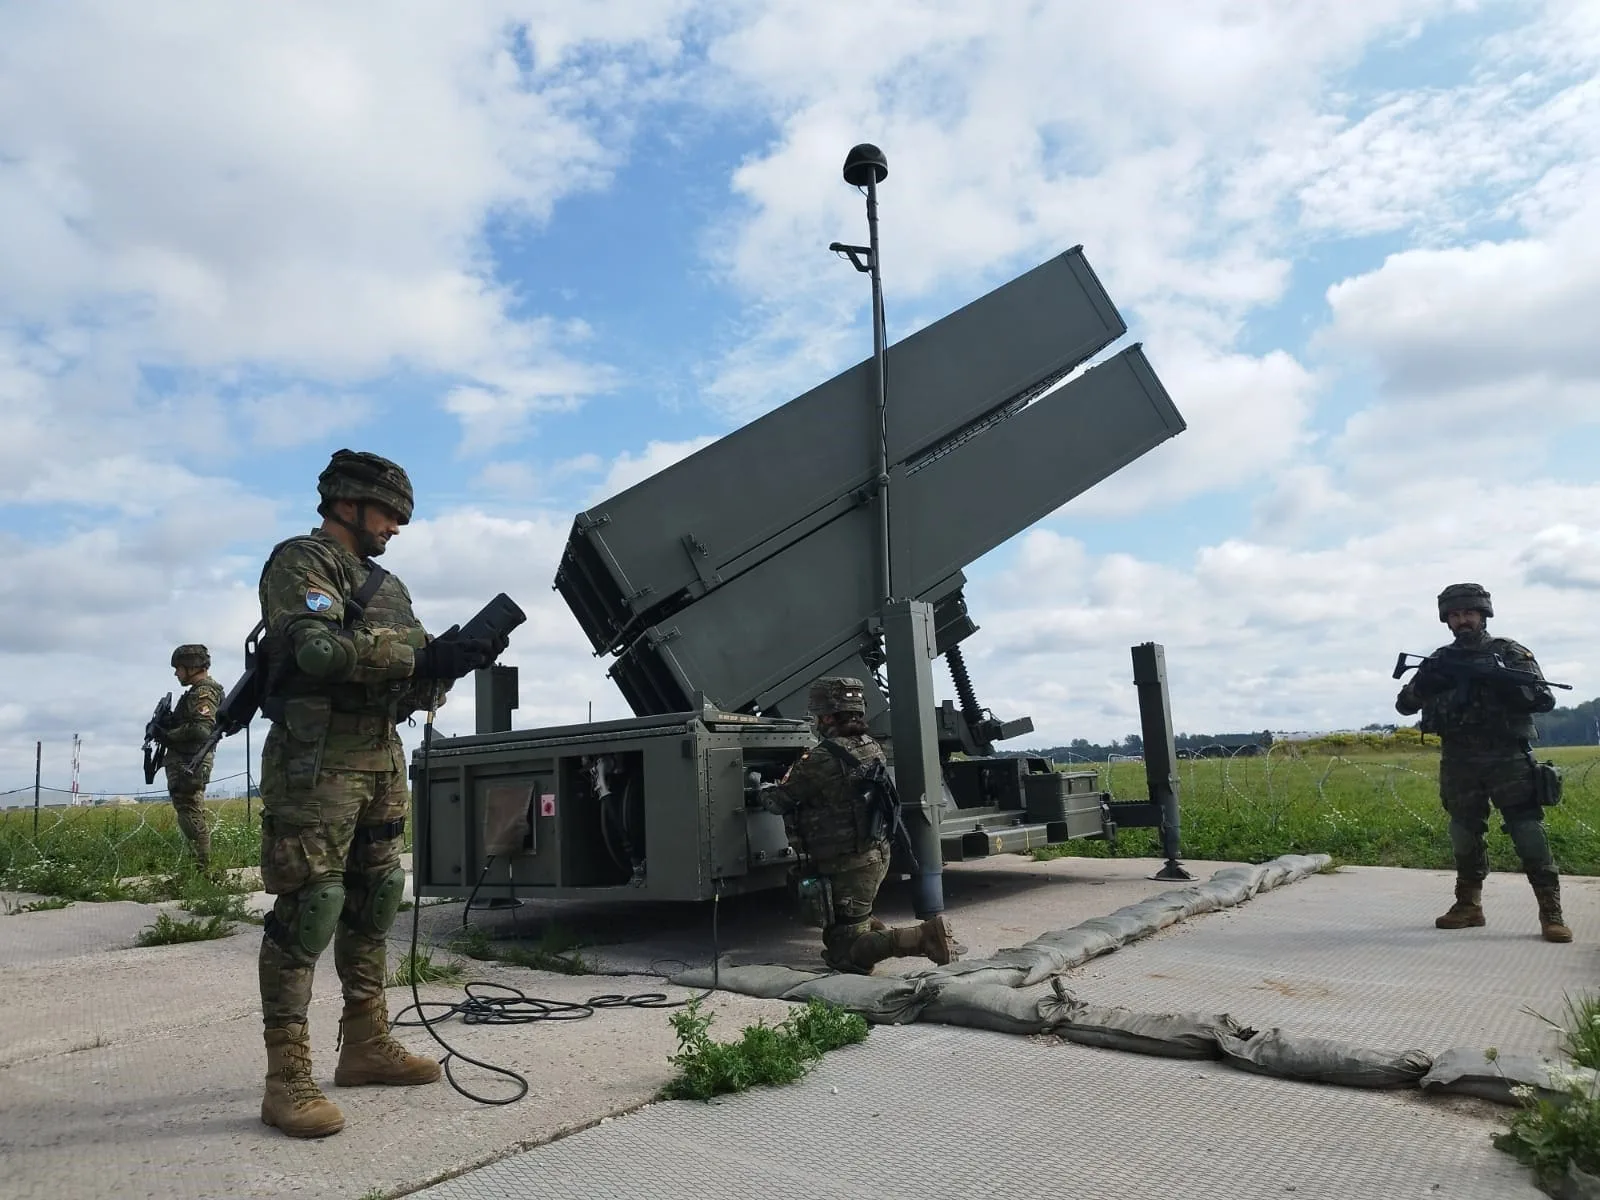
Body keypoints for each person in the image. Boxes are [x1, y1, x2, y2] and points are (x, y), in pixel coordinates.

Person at [254, 449, 502, 1138]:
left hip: (380, 760)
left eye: (400, 516)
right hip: (316, 764)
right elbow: (316, 651)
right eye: (387, 513)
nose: (395, 527)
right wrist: (417, 656)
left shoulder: (386, 584)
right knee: (311, 905)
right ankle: (287, 1078)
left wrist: (451, 662)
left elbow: (413, 677)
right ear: (347, 503)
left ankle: (365, 1043)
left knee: (374, 901)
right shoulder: (302, 563)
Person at [1395, 583, 1569, 943]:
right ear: (1447, 619)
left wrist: (1507, 684)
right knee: (1464, 832)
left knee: (1527, 831)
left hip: (1506, 756)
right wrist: (1426, 683)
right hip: (1459, 758)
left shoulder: (1509, 652)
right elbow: (1405, 705)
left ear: (1483, 614)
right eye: (1455, 615)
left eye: (1468, 613)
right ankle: (1468, 905)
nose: (1462, 620)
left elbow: (1543, 698)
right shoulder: (1440, 660)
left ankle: (1551, 912)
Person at [760, 676, 960, 974]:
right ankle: (867, 928)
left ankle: (923, 938)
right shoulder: (870, 746)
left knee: (846, 953)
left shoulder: (823, 757)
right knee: (852, 919)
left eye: (817, 716)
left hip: (850, 864)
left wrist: (761, 787)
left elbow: (779, 801)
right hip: (874, 854)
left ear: (826, 716)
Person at [157, 644, 225, 871]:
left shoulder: (203, 693)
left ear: (192, 667)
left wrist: (168, 735)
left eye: (179, 668)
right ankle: (199, 869)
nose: (176, 673)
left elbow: (202, 729)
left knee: (191, 815)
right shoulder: (197, 692)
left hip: (190, 761)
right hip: (186, 760)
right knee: (189, 812)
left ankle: (203, 872)